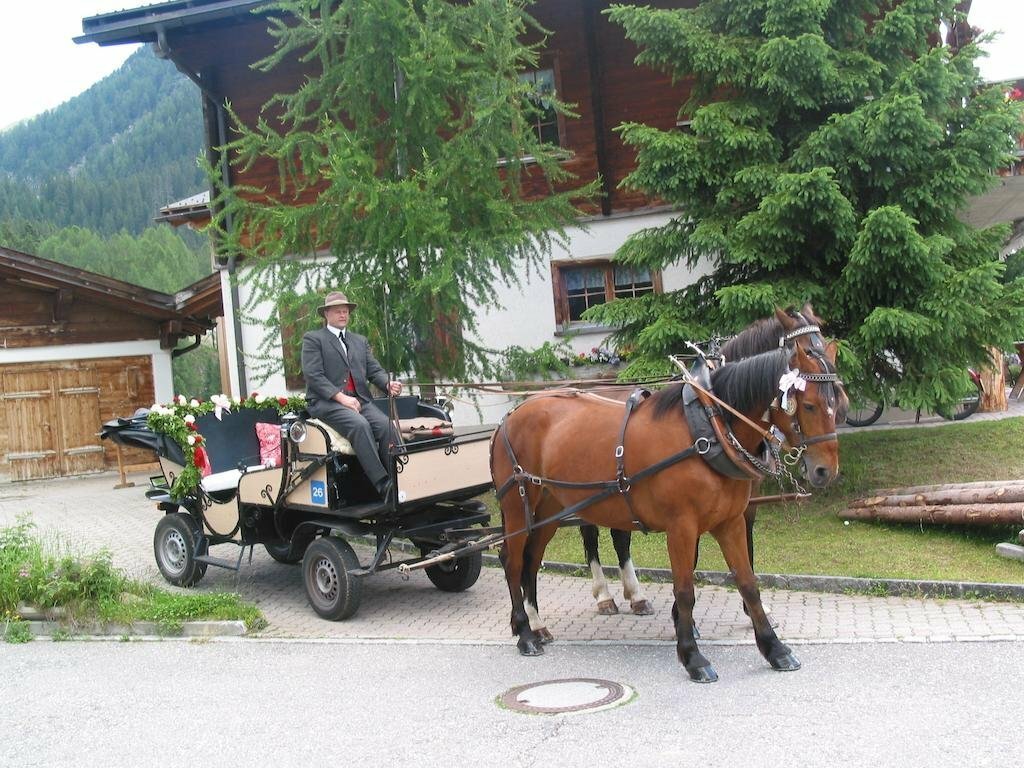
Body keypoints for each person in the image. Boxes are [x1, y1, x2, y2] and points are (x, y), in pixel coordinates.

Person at [301, 290, 403, 502]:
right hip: (327, 402)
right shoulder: (314, 339)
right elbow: (313, 376)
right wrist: (341, 398)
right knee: (359, 425)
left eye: (345, 311)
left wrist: (387, 383)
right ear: (326, 314)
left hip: (359, 401)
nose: (343, 315)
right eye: (337, 311)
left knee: (387, 427)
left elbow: (374, 370)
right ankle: (383, 485)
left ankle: (397, 478)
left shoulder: (359, 341)